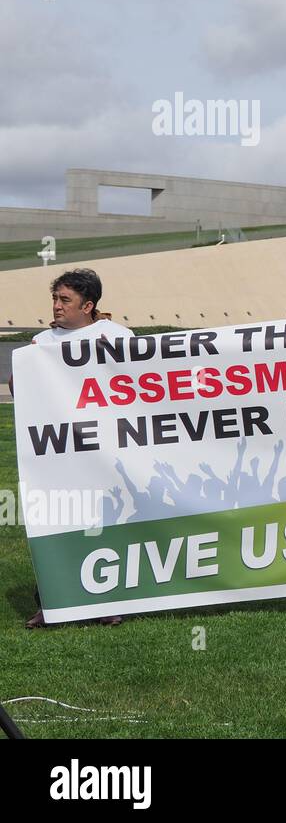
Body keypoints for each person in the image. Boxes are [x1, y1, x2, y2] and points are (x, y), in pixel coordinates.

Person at [22, 269, 132, 629]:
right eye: (55, 299)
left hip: (106, 450)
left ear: (88, 305)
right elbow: (20, 388)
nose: (56, 306)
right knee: (55, 524)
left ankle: (108, 601)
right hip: (56, 451)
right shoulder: (41, 342)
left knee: (106, 523)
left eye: (64, 300)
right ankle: (52, 602)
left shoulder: (117, 336)